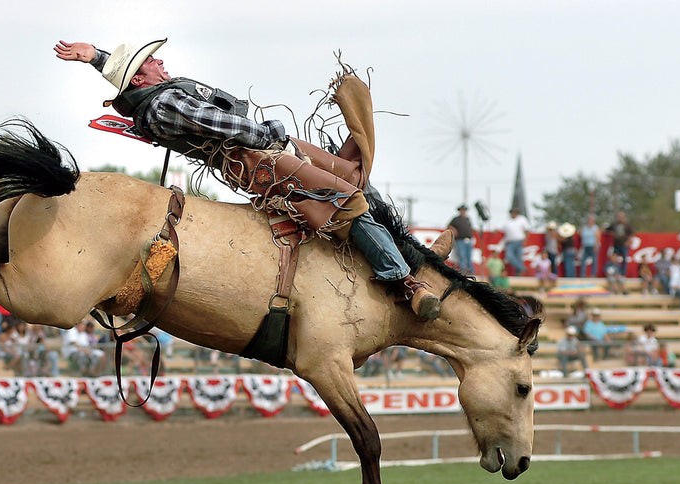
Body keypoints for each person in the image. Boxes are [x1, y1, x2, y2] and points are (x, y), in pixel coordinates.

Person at [55, 39, 441, 320]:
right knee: (345, 202)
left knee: (354, 177)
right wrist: (269, 133)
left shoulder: (153, 94)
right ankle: (405, 281)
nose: (159, 60)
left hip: (267, 151)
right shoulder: (166, 102)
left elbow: (133, 76)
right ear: (141, 79)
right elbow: (225, 125)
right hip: (260, 159)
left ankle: (407, 249)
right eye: (151, 61)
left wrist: (96, 58)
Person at [500, 207, 530, 275]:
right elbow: (501, 229)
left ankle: (518, 274)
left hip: (519, 241)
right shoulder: (507, 221)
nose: (513, 214)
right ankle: (522, 268)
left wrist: (525, 240)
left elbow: (527, 230)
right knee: (509, 256)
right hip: (510, 242)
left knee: (519, 258)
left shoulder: (522, 219)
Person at [447, 204, 475, 275]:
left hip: (468, 240)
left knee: (469, 257)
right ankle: (463, 272)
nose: (463, 212)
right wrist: (454, 230)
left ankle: (471, 272)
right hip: (460, 240)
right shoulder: (456, 219)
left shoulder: (467, 219)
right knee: (462, 256)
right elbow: (449, 226)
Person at [606, 210, 634, 275]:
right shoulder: (615, 224)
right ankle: (615, 272)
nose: (620, 218)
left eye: (622, 217)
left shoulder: (627, 225)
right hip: (616, 244)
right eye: (619, 216)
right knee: (614, 259)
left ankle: (623, 273)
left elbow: (632, 233)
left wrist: (628, 241)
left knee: (624, 259)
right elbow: (608, 229)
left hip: (624, 244)